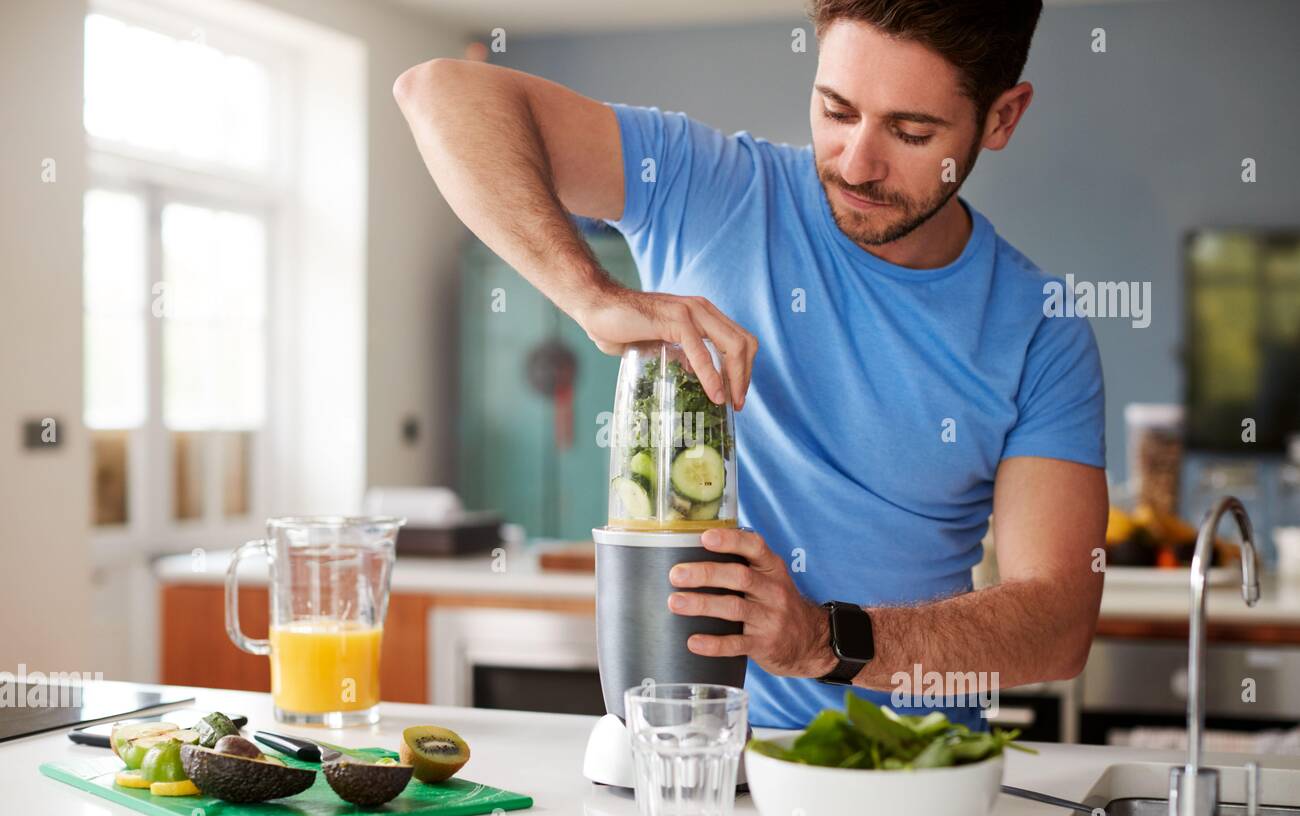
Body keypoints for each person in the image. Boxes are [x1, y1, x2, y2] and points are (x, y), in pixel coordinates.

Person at [394, 0, 1107, 731]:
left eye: (911, 131)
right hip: (691, 769)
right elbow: (440, 92)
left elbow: (1057, 622)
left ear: (1001, 118)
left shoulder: (1040, 329)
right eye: (836, 110)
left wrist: (822, 640)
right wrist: (591, 297)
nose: (858, 163)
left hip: (915, 784)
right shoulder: (709, 186)